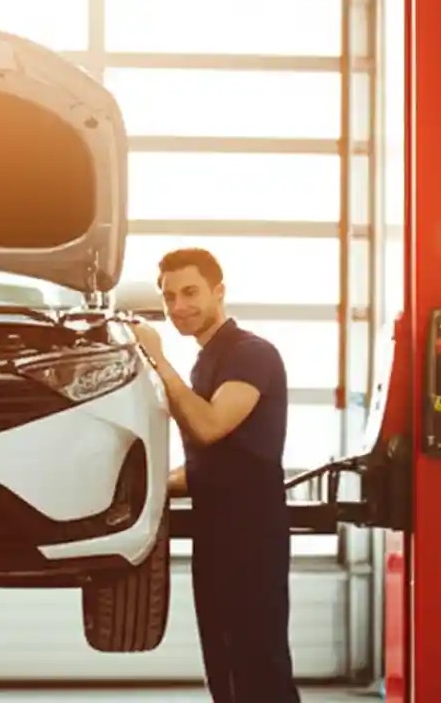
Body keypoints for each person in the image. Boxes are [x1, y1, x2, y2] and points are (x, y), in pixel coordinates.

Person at [131, 248, 299, 703]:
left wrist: (156, 359)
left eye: (190, 292)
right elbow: (219, 459)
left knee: (257, 660)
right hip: (217, 532)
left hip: (251, 533)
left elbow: (209, 427)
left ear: (219, 291)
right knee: (223, 661)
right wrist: (153, 485)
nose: (178, 306)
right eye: (169, 296)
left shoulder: (251, 354)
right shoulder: (207, 361)